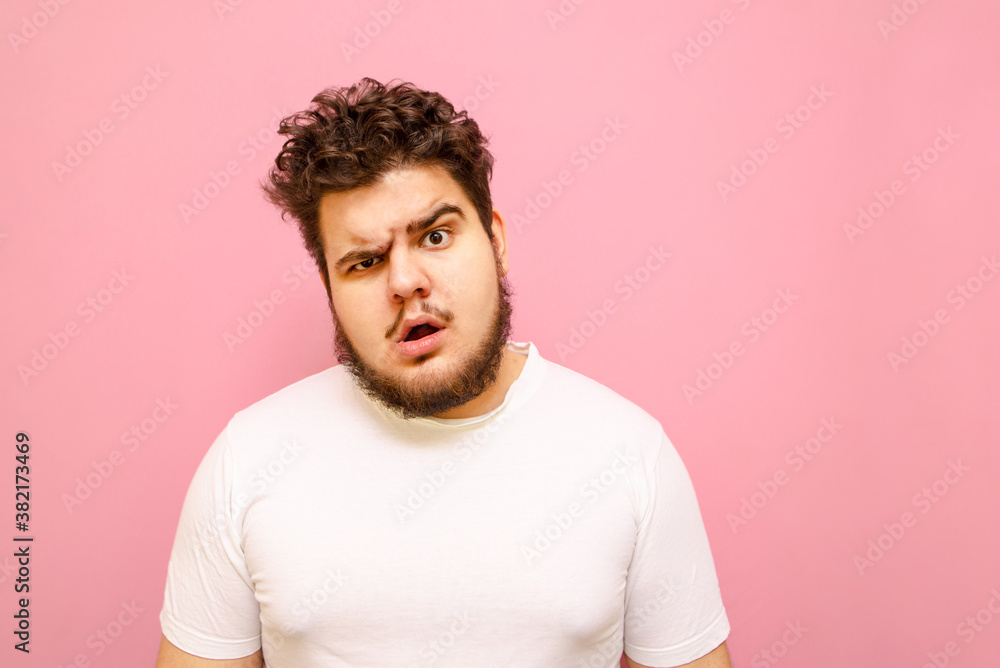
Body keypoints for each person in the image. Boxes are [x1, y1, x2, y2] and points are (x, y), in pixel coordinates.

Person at [155, 77, 732, 668]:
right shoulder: (248, 459)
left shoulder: (629, 453)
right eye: (364, 261)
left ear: (496, 241)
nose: (404, 281)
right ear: (329, 288)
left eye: (435, 236)